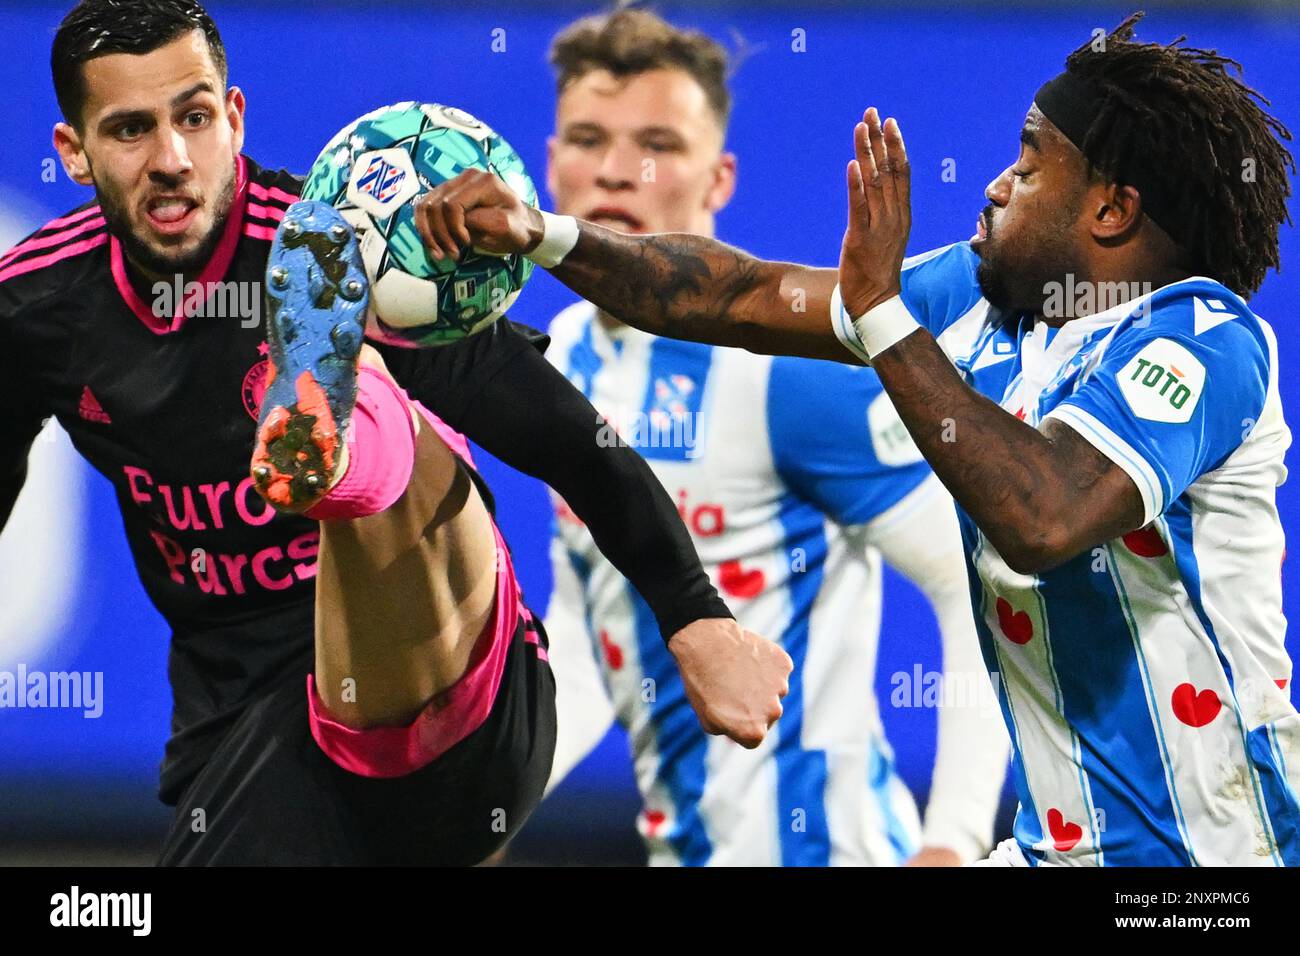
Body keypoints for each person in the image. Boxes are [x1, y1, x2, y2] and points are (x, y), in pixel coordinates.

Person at [416, 12, 1298, 866]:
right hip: (1055, 852)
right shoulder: (983, 303)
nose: (995, 185)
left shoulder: (1205, 338)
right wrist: (543, 236)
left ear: (1110, 211)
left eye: (1029, 170)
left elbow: (1046, 518)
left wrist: (880, 312)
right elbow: (736, 297)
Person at [0, 0, 790, 865]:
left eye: (193, 117)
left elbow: (569, 439)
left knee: (350, 349)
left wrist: (696, 618)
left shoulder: (350, 248)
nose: (172, 160)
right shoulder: (37, 308)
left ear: (233, 116)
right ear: (73, 152)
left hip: (461, 680)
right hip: (251, 727)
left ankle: (332, 417)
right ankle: (327, 416)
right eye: (128, 130)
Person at [536, 9, 1007, 866]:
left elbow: (980, 590)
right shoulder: (562, 359)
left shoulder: (784, 375)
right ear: (548, 165)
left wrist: (954, 842)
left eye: (658, 143)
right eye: (587, 137)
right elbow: (587, 628)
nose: (617, 170)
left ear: (719, 181)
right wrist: (475, 805)